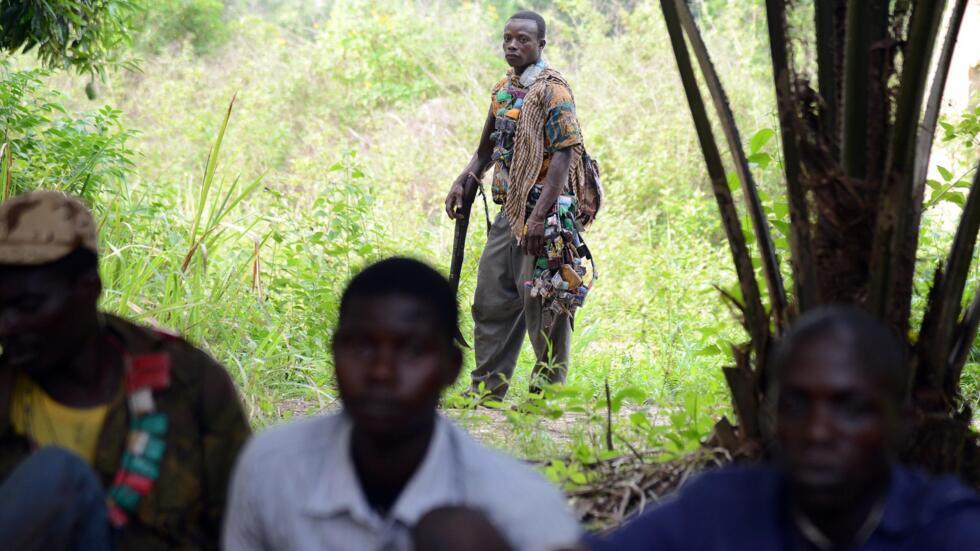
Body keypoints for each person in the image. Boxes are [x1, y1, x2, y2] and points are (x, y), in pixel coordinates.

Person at [223, 257, 581, 551]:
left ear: (450, 368)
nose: (382, 372)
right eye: (361, 346)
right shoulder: (271, 469)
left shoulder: (519, 506)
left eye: (412, 351)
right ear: (334, 354)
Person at [588, 306, 980, 550]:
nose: (818, 432)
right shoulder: (722, 510)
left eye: (852, 408)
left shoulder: (947, 532)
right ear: (770, 417)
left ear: (904, 424)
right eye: (795, 405)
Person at [0, 191, 251, 550]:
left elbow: (244, 522)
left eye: (28, 306)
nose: (6, 326)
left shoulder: (189, 382)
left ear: (89, 290)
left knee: (59, 476)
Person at [445, 10, 594, 399]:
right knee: (492, 299)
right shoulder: (503, 90)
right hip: (509, 214)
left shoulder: (553, 91)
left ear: (541, 44)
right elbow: (485, 151)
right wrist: (463, 181)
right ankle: (486, 388)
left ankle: (546, 396)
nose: (513, 45)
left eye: (522, 39)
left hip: (547, 216)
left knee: (546, 302)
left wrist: (538, 218)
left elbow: (565, 155)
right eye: (508, 38)